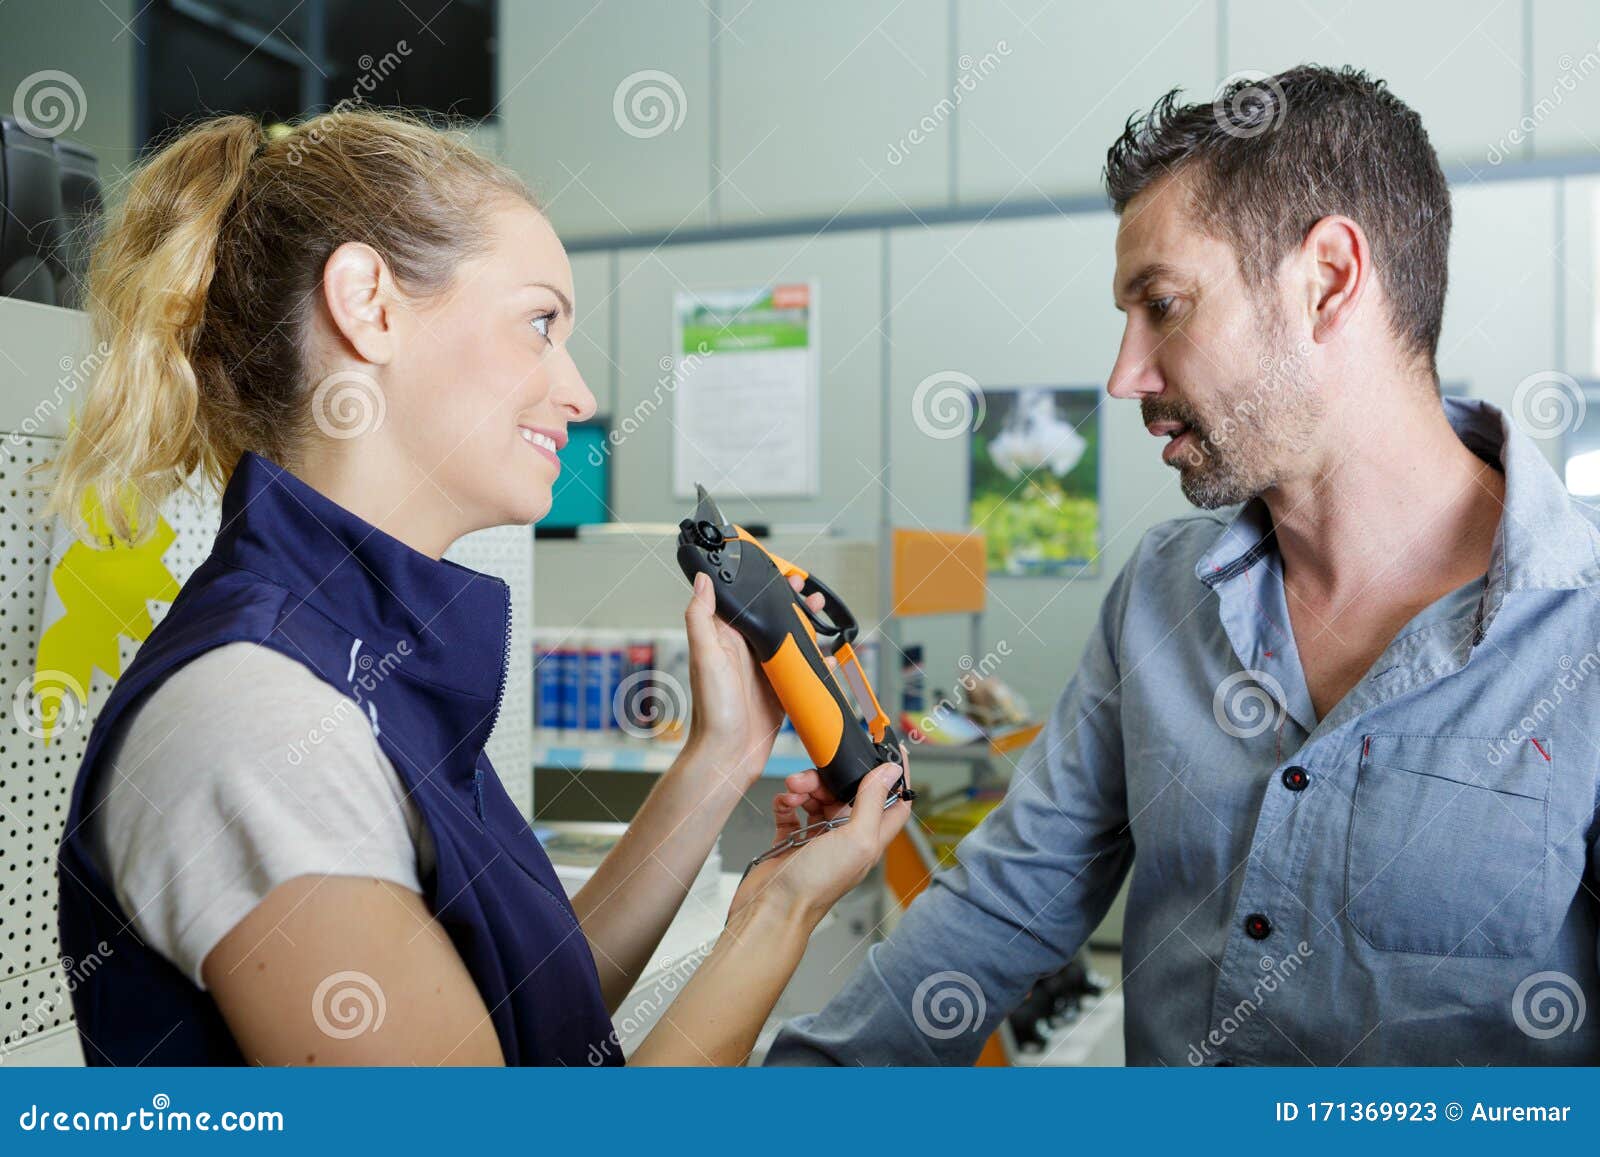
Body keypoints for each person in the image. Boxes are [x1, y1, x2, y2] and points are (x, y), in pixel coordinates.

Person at [767, 65, 1600, 1066]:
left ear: (1327, 279)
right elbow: (1004, 900)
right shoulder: (1160, 596)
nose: (1125, 375)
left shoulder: (1579, 629)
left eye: (1161, 305)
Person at [50, 107, 910, 1067]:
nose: (580, 394)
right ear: (369, 304)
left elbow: (521, 1009)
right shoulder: (258, 724)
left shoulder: (358, 651)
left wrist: (723, 757)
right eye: (541, 322)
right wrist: (779, 914)